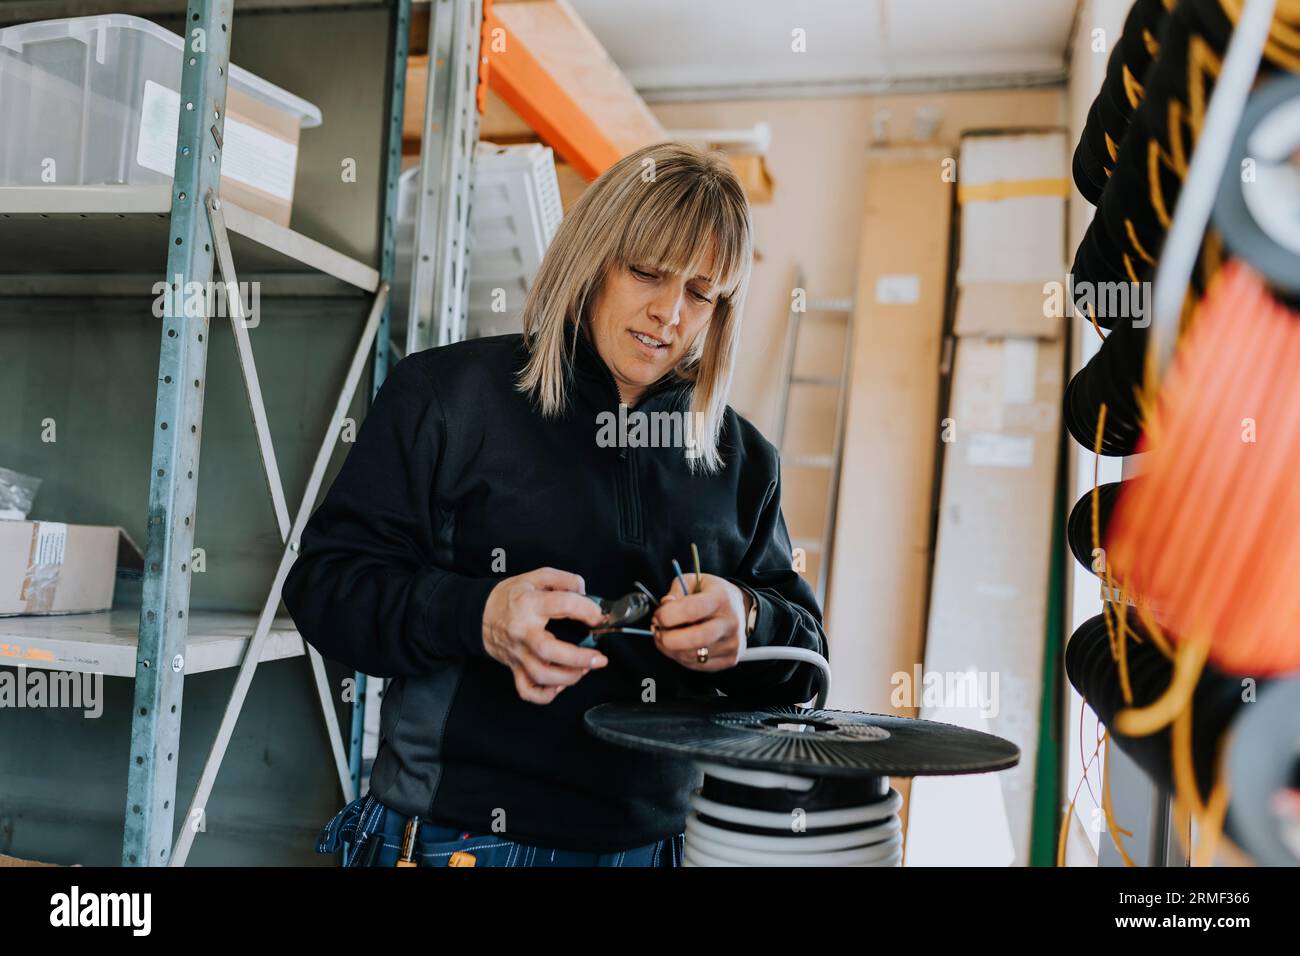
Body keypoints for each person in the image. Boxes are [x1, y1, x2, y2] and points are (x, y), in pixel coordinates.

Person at [282, 141, 828, 867]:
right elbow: (324, 589)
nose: (670, 313)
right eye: (647, 272)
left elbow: (807, 661)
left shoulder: (745, 461)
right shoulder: (448, 398)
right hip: (460, 840)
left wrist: (747, 623)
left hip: (661, 850)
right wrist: (478, 616)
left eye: (701, 292)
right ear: (592, 256)